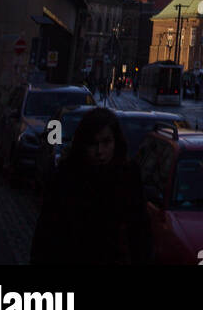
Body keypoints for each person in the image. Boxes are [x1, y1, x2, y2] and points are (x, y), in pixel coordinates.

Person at [30, 108, 153, 265]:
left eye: (106, 142)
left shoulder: (128, 176)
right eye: (93, 144)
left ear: (116, 141)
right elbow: (47, 231)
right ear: (83, 144)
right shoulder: (67, 176)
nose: (100, 151)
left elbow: (140, 232)